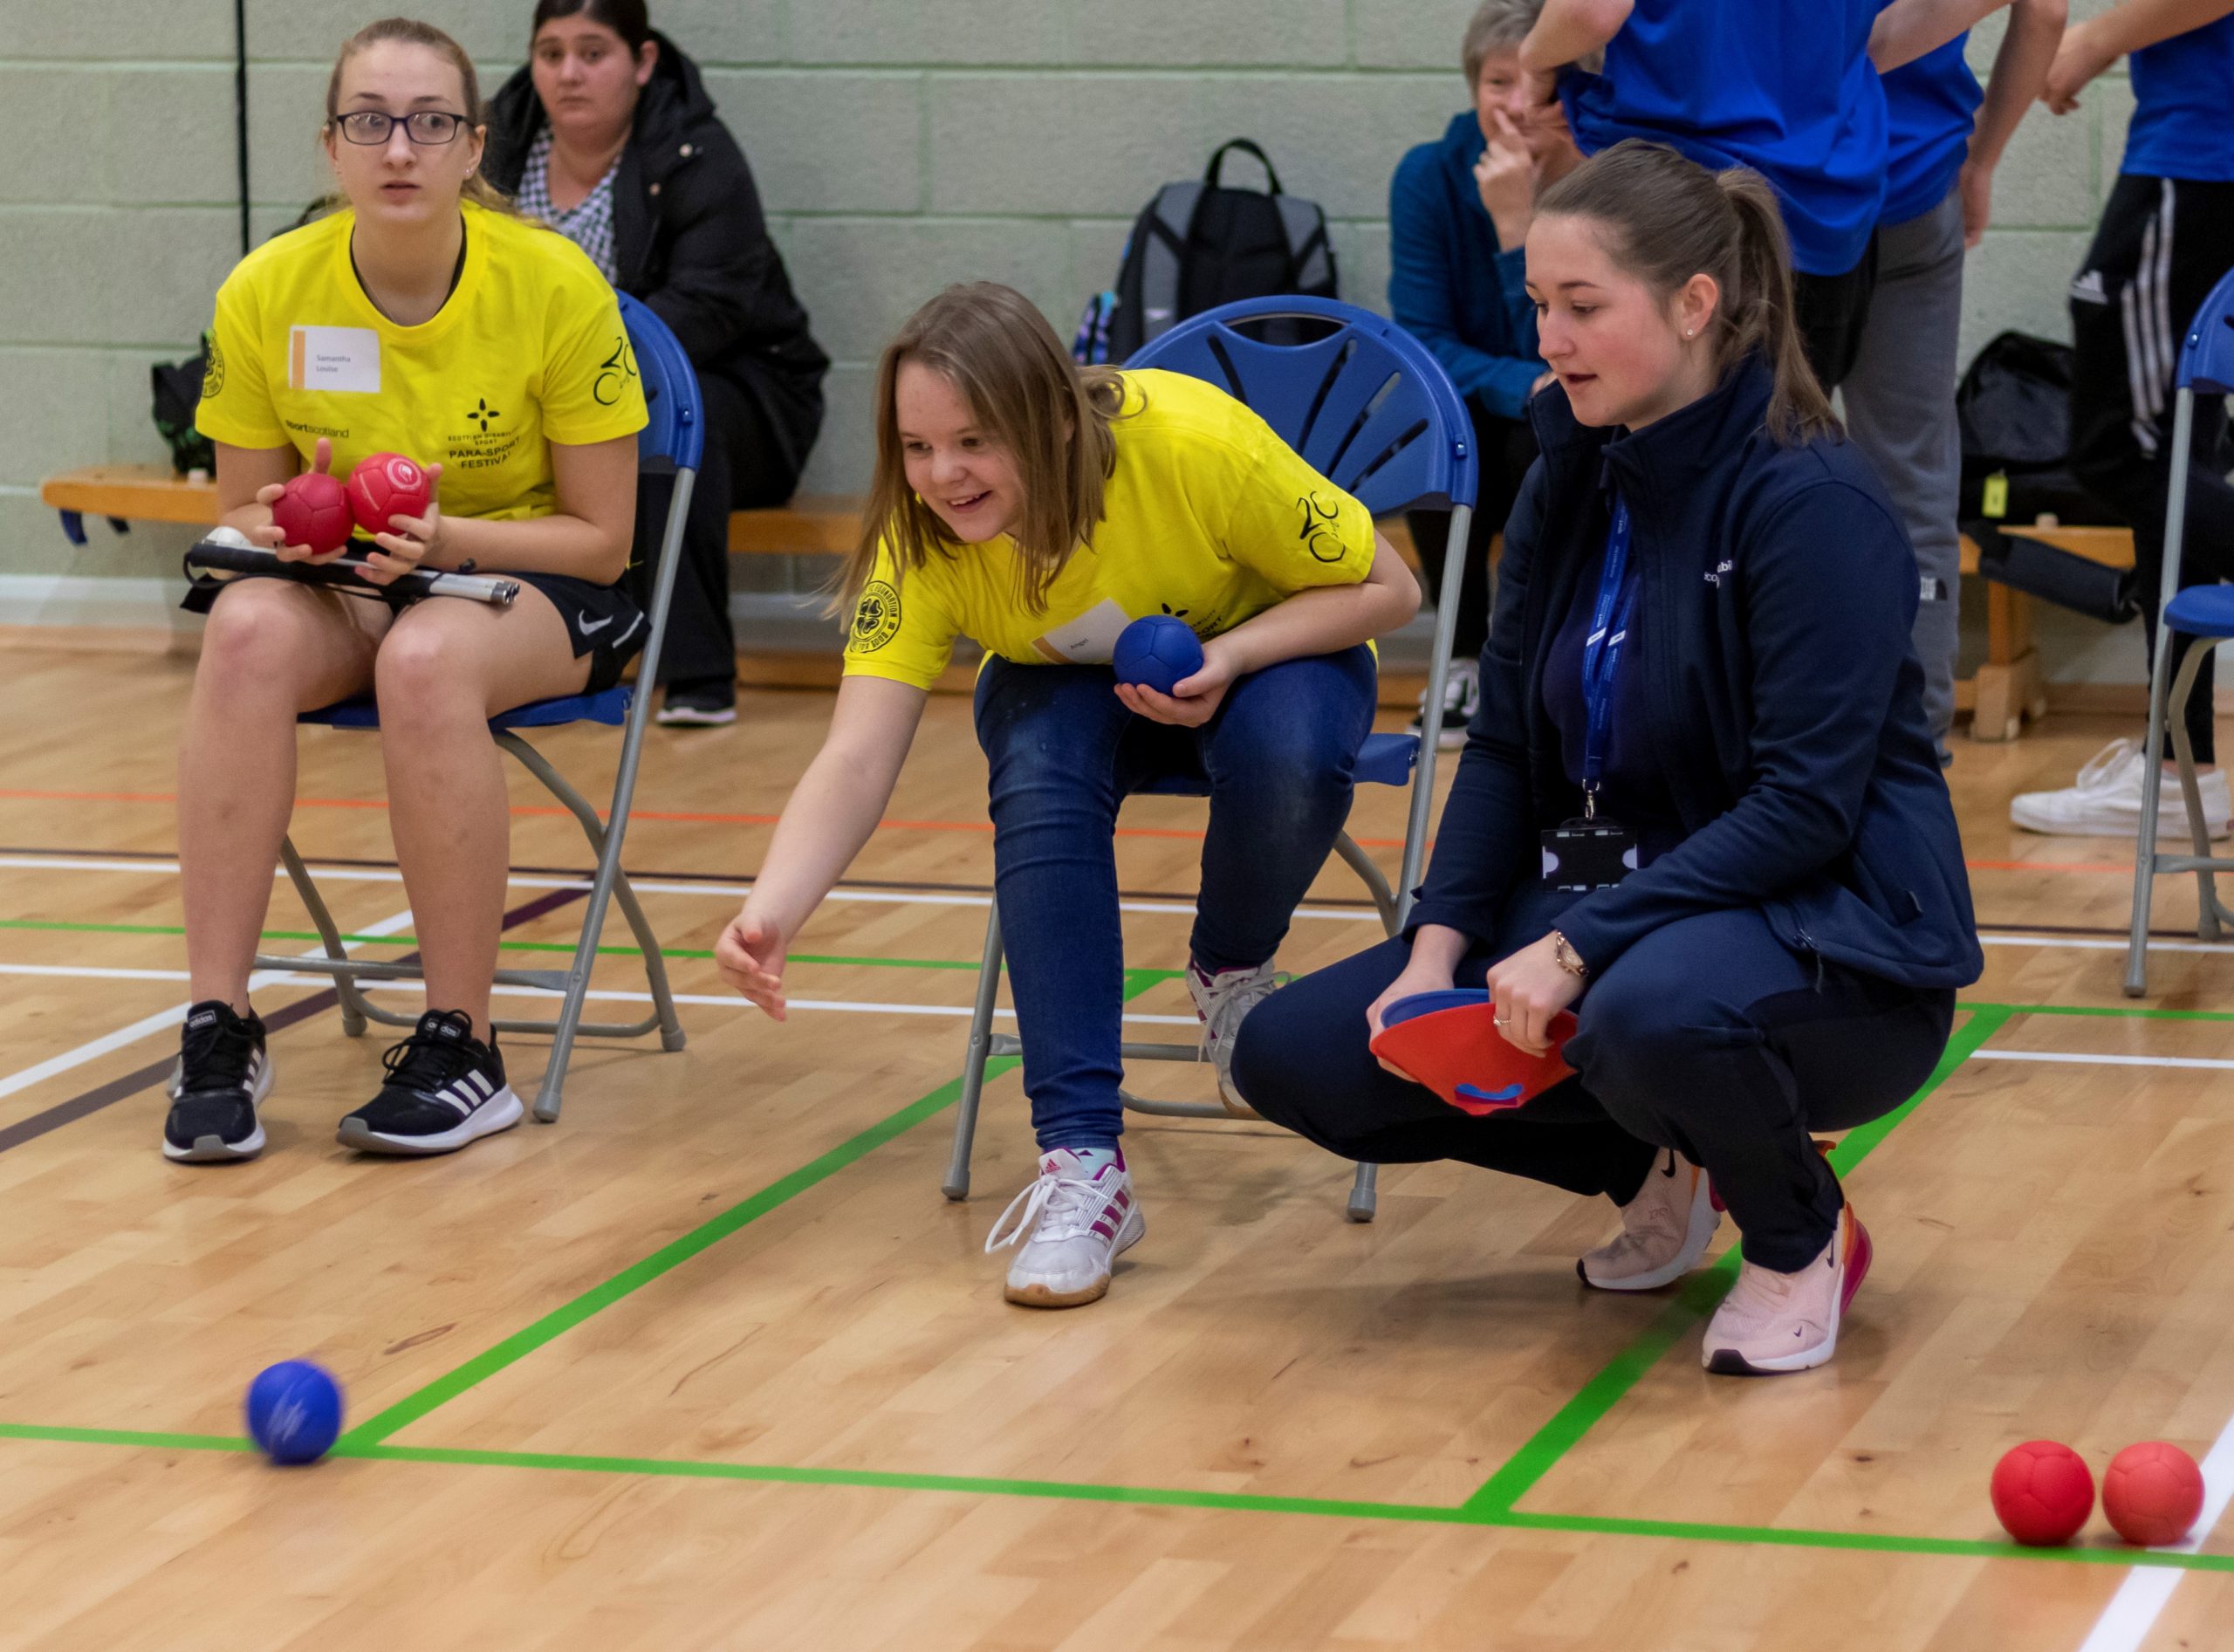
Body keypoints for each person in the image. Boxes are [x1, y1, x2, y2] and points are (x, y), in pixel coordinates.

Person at [1232, 142, 1984, 1377]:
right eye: (1539, 306)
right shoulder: (1570, 470)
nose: (1551, 339)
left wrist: (1578, 945)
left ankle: (1796, 1232)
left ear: (1696, 305)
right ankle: (1661, 1160)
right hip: (1620, 899)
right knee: (1301, 1053)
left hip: (1831, 931)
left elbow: (1802, 808)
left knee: (1645, 1010)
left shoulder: (1814, 503)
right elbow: (1510, 741)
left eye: (1584, 308)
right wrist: (1434, 953)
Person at [714, 283, 1420, 1309]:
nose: (942, 476)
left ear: (1049, 419)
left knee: (1292, 750)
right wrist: (772, 909)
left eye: (972, 442)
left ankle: (1227, 969)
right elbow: (858, 755)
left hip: (1277, 647)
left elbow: (1390, 591)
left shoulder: (1192, 442)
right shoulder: (917, 544)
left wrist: (1227, 655)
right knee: (1038, 771)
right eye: (916, 447)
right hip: (1061, 684)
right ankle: (1084, 1167)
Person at [172, 17, 648, 1163]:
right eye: (370, 122)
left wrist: (443, 540)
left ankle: (463, 1044)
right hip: (352, 581)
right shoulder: (267, 289)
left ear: (472, 147)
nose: (400, 148)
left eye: (430, 123)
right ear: (330, 147)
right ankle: (218, 1022)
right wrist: (302, 536)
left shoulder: (550, 282)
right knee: (240, 630)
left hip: (527, 582)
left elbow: (603, 539)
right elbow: (239, 506)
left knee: (425, 657)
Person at [484, 0, 829, 728]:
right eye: (550, 54)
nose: (569, 74)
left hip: (745, 390)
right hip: (547, 395)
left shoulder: (697, 154)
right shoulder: (494, 149)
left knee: (667, 414)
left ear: (641, 63)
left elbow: (707, 310)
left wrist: (571, 376)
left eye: (592, 53)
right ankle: (495, 643)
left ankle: (699, 673)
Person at [2008, 0, 2234, 839]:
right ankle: (2181, 768)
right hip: (2199, 150)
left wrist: (2094, 40)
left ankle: (2181, 767)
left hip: (2202, 156)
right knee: (2173, 463)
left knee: (2125, 455)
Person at [1849, 0, 2067, 762]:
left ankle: (1761, 758)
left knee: (1753, 461)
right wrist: (1982, 161)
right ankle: (1918, 756)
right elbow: (2046, 10)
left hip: (1775, 180)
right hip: (1916, 182)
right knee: (1913, 482)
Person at [1517, 0, 1887, 391]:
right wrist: (1837, 76)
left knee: (1646, 434)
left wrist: (1534, 62)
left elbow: (1589, 12)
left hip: (1673, 191)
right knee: (1787, 433)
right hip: (1828, 205)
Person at [1389, 0, 1581, 751]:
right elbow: (1424, 340)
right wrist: (1518, 383)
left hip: (1564, 405)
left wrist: (1517, 230)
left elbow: (1567, 349)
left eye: (1544, 85)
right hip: (1476, 399)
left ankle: (1530, 658)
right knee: (1433, 439)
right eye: (1501, 82)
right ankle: (1459, 657)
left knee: (1542, 441)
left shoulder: (1600, 179)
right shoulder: (1428, 177)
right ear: (1474, 86)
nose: (1520, 106)